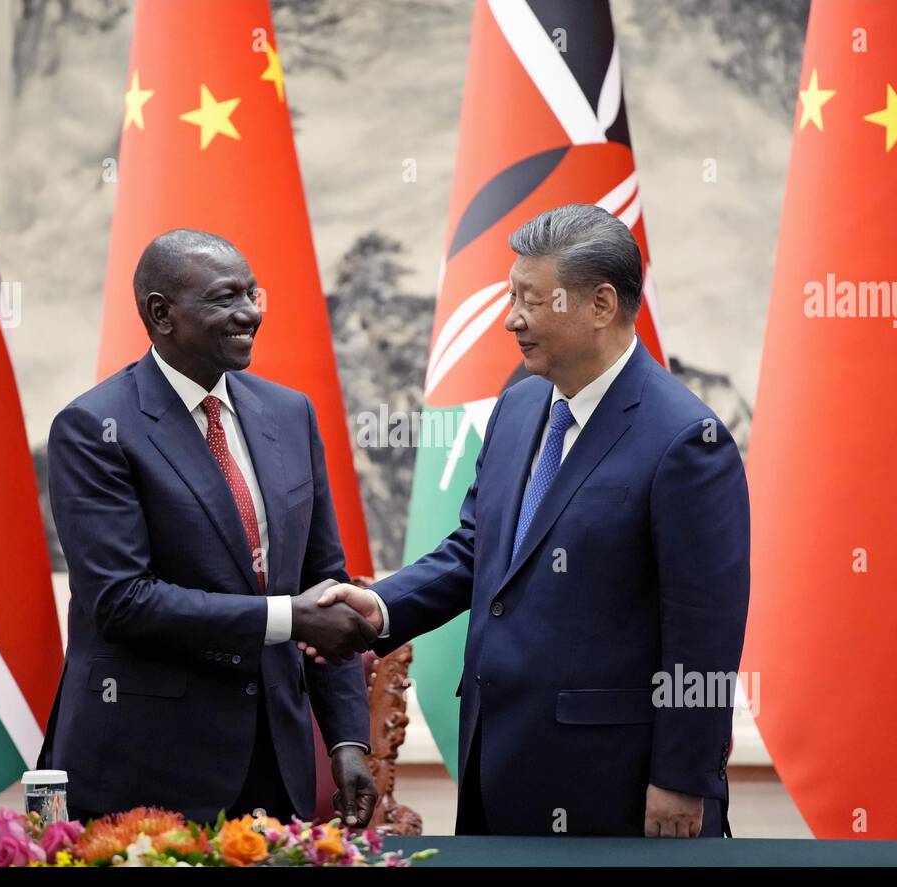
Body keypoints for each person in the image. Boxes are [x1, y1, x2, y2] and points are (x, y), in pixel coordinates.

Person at [305, 204, 750, 837]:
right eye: (512, 296)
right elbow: (476, 550)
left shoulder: (686, 440)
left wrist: (681, 778)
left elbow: (704, 631)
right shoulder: (520, 406)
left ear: (599, 304)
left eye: (531, 301)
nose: (511, 319)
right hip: (495, 759)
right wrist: (378, 607)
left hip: (613, 782)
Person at [38, 228, 377, 827]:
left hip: (275, 763)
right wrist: (289, 618)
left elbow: (326, 583)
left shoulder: (289, 412)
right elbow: (122, 600)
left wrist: (348, 741)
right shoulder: (94, 427)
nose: (249, 313)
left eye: (253, 294)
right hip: (148, 771)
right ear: (161, 313)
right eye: (225, 299)